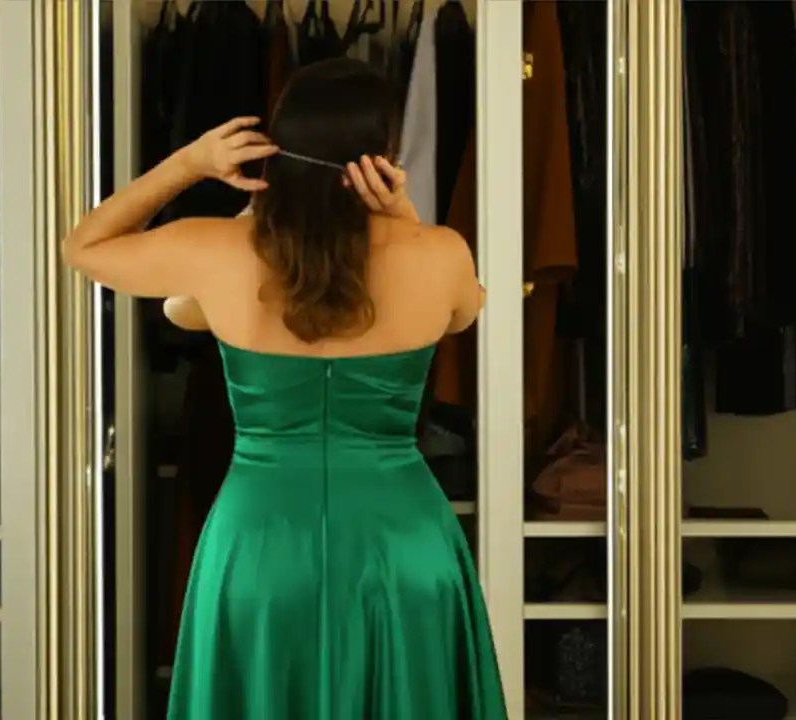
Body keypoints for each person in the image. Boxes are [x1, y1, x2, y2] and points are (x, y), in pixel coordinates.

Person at [64, 58, 505, 720]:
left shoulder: (217, 250)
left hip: (260, 540)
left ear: (277, 143)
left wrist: (189, 163)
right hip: (401, 539)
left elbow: (83, 247)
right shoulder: (440, 253)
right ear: (383, 155)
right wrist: (407, 219)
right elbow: (466, 309)